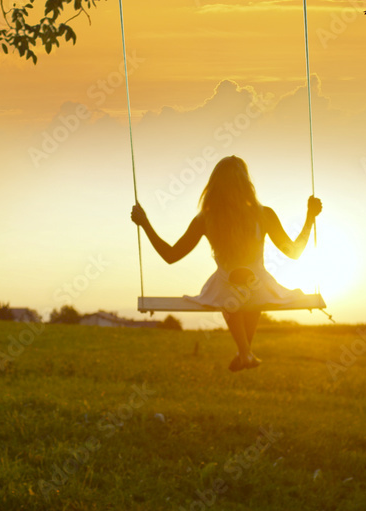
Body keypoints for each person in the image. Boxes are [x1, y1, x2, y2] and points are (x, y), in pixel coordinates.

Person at [130, 155, 322, 371]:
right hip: (259, 288)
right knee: (249, 290)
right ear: (247, 184)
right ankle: (244, 353)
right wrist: (310, 217)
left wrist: (145, 223)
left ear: (213, 187)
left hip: (224, 289)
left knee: (231, 291)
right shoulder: (264, 215)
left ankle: (244, 353)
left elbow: (171, 255)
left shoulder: (205, 219)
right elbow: (294, 252)